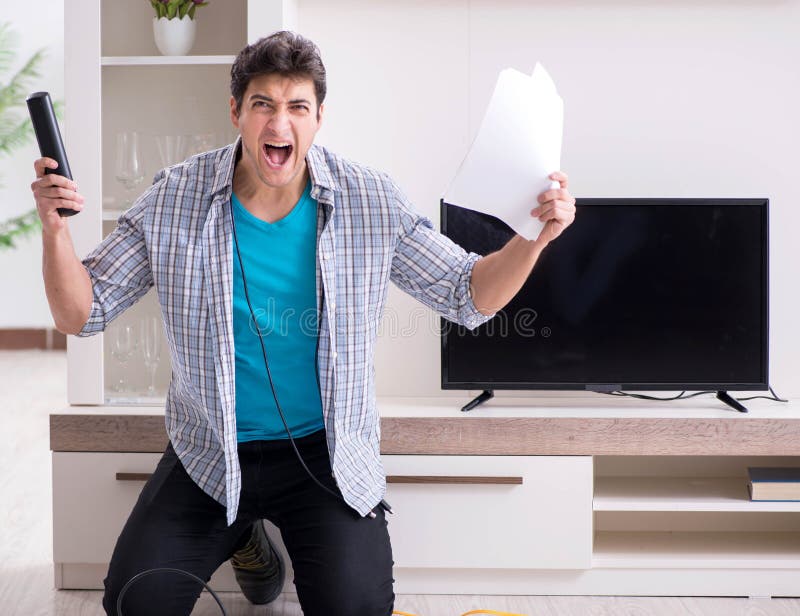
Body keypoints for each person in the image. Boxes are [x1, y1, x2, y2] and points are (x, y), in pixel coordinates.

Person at [30, 30, 576, 616]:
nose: (278, 124)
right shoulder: (174, 196)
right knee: (136, 602)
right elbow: (80, 313)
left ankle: (253, 533)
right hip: (210, 449)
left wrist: (534, 237)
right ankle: (242, 533)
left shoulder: (370, 198)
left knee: (356, 608)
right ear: (236, 110)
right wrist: (56, 229)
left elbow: (468, 295)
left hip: (325, 454)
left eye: (296, 107)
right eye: (263, 104)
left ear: (319, 118)